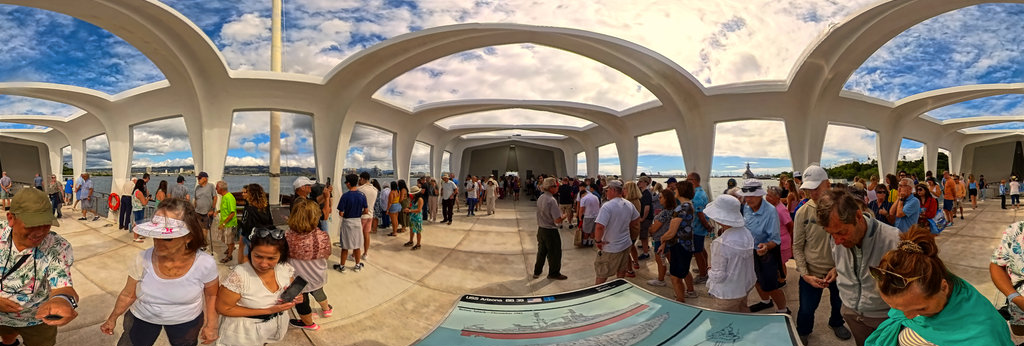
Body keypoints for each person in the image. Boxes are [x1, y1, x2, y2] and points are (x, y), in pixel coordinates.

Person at [866, 226, 1013, 346]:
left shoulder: (985, 336)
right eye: (897, 308)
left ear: (943, 288)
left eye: (921, 308)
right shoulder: (912, 300)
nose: (908, 317)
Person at [100, 198, 219, 345]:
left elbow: (211, 294)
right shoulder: (142, 259)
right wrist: (112, 318)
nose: (158, 242)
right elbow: (128, 294)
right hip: (143, 317)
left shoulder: (205, 263)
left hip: (186, 321)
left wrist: (212, 324)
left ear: (189, 237)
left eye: (168, 238)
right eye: (156, 234)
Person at [817, 189, 900, 346]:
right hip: (851, 313)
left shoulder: (894, 240)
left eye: (842, 232)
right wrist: (837, 269)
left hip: (884, 319)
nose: (837, 241)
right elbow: (848, 261)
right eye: (831, 234)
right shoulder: (836, 236)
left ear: (858, 217)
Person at [0, 188, 79, 346]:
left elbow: (63, 287)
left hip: (37, 319)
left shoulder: (57, 246)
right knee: (7, 337)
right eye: (32, 224)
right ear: (11, 218)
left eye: (46, 224)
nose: (40, 232)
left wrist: (63, 302)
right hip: (1, 317)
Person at [792, 165, 850, 344]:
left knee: (839, 303)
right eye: (809, 189)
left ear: (828, 183)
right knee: (806, 309)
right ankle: (803, 330)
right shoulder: (803, 212)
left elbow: (849, 242)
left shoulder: (842, 209)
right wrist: (805, 273)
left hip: (838, 269)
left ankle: (836, 322)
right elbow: (798, 246)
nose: (813, 193)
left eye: (816, 188)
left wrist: (838, 267)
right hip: (811, 271)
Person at [214, 227, 300, 346]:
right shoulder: (239, 276)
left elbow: (290, 289)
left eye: (271, 258)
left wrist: (295, 297)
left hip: (272, 330)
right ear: (250, 251)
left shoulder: (285, 269)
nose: (264, 264)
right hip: (242, 336)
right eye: (258, 256)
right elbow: (223, 308)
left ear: (281, 255)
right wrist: (268, 311)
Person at [739, 180, 789, 314]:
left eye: (752, 196)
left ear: (760, 195)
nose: (748, 199)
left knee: (771, 285)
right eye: (746, 196)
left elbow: (776, 240)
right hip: (750, 251)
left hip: (767, 252)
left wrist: (766, 246)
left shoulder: (771, 211)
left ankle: (783, 309)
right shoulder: (745, 207)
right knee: (755, 279)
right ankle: (765, 302)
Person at [285, 199, 333, 331]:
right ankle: (326, 309)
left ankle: (309, 323)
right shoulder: (323, 236)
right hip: (318, 275)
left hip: (297, 280)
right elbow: (327, 254)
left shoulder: (287, 236)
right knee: (318, 291)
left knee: (302, 302)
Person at [703, 194, 756, 313]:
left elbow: (718, 276)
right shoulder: (746, 233)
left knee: (721, 324)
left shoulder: (721, 243)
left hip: (727, 292)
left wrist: (709, 270)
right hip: (745, 285)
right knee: (743, 313)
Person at [594, 180, 641, 284]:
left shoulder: (607, 206)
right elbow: (637, 219)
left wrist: (598, 241)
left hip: (611, 246)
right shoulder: (628, 204)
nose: (606, 192)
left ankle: (597, 292)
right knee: (621, 269)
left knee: (602, 272)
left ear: (613, 190)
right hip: (626, 243)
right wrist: (624, 226)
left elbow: (599, 227)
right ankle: (619, 287)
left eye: (607, 190)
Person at [659, 181, 698, 302]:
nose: (674, 191)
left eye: (676, 189)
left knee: (675, 276)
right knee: (685, 270)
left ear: (681, 191)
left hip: (679, 246)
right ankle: (690, 291)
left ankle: (680, 299)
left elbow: (672, 231)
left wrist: (662, 239)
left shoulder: (682, 208)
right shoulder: (689, 205)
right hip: (687, 244)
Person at [533, 177, 567, 280]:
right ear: (551, 187)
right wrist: (565, 216)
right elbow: (557, 220)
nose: (557, 188)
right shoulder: (552, 200)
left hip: (541, 229)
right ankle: (554, 273)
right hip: (550, 231)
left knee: (541, 252)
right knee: (555, 253)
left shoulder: (541, 197)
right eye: (556, 186)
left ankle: (537, 272)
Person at [334, 174, 367, 273]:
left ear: (348, 183)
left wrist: (347, 214)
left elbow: (341, 212)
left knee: (345, 246)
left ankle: (342, 266)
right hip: (357, 221)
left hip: (347, 222)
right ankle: (357, 265)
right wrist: (357, 214)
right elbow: (366, 210)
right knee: (357, 245)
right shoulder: (362, 195)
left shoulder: (345, 196)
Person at [686, 173, 713, 285]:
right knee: (701, 249)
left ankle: (703, 275)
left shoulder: (697, 196)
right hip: (698, 227)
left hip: (697, 228)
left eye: (688, 179)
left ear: (694, 180)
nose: (686, 181)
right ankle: (704, 268)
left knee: (697, 252)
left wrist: (707, 226)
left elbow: (700, 214)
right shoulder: (700, 192)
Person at [646, 189, 676, 287]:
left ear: (666, 199)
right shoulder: (673, 211)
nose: (659, 199)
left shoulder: (664, 213)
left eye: (661, 197)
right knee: (669, 257)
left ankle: (661, 279)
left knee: (660, 261)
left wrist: (650, 229)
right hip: (669, 239)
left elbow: (655, 228)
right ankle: (672, 271)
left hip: (661, 239)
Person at [237, 184, 272, 264]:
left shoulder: (249, 208)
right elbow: (270, 221)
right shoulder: (266, 206)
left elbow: (246, 224)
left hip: (250, 235)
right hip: (262, 235)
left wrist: (242, 230)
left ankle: (241, 269)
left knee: (246, 255)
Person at [216, 181, 238, 264]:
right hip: (225, 223)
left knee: (229, 241)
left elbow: (232, 213)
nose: (216, 189)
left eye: (216, 188)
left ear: (221, 189)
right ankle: (230, 248)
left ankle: (229, 255)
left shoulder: (229, 197)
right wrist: (218, 211)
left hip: (230, 224)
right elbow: (226, 209)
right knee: (223, 239)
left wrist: (223, 224)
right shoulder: (224, 197)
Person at [357, 172, 377, 260]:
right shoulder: (375, 190)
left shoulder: (360, 189)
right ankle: (365, 253)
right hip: (370, 215)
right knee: (366, 235)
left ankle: (355, 254)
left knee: (358, 236)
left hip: (361, 216)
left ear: (362, 179)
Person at [637, 176, 654, 261]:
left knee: (644, 236)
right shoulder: (643, 192)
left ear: (645, 183)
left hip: (646, 218)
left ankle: (645, 253)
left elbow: (647, 208)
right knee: (643, 236)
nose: (639, 183)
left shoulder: (646, 194)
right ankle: (645, 249)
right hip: (646, 218)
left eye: (641, 181)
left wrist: (643, 218)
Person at [404, 186, 425, 250]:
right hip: (412, 216)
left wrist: (409, 210)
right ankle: (411, 241)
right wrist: (408, 209)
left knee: (418, 231)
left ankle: (418, 244)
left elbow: (419, 210)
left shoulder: (420, 199)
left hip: (417, 217)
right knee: (411, 230)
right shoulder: (414, 199)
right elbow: (412, 206)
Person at [131, 179, 150, 243]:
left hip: (135, 208)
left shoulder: (135, 191)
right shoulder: (139, 193)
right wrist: (148, 198)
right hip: (139, 209)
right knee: (138, 223)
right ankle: (135, 237)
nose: (144, 186)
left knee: (137, 222)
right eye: (143, 185)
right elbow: (144, 203)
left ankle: (138, 235)